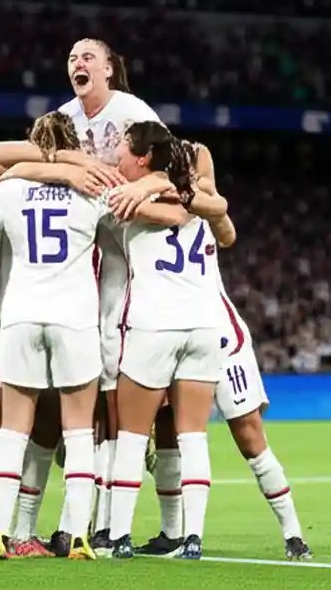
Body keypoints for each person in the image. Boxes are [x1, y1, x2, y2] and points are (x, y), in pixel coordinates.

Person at [0, 38, 163, 549]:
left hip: (122, 265)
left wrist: (139, 188)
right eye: (70, 58)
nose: (77, 64)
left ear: (109, 69)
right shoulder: (69, 134)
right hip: (82, 277)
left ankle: (15, 527)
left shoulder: (132, 112)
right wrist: (69, 165)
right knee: (80, 415)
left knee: (70, 407)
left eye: (88, 57)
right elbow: (4, 156)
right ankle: (83, 528)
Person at [117, 142, 313, 561]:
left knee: (248, 434)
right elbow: (223, 229)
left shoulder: (192, 200)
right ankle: (174, 532)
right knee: (170, 427)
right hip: (175, 328)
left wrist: (205, 202)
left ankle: (293, 532)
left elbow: (226, 231)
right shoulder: (174, 199)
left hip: (220, 334)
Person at [0, 113, 117, 562]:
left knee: (12, 433)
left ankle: (0, 534)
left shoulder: (7, 188)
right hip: (74, 319)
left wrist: (31, 168)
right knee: (80, 432)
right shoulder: (93, 187)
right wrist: (69, 170)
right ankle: (80, 536)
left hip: (21, 316)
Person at [100, 122, 229, 561]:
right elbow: (203, 210)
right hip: (204, 326)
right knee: (193, 437)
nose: (115, 153)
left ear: (141, 157)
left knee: (132, 436)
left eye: (121, 146)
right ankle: (192, 538)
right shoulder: (197, 196)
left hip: (155, 326)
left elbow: (152, 209)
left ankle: (118, 537)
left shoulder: (129, 194)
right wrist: (183, 198)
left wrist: (138, 198)